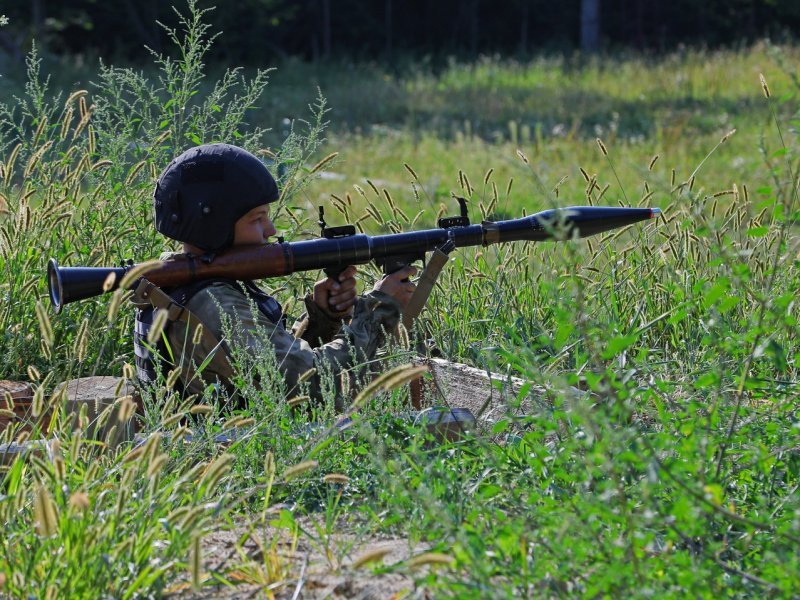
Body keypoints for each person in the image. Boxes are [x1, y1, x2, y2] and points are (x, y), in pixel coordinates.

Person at [135, 143, 416, 408]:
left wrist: (322, 319)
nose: (270, 230)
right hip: (232, 441)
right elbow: (314, 385)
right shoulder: (214, 303)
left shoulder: (175, 283)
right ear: (215, 225)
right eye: (257, 219)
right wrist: (379, 308)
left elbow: (272, 369)